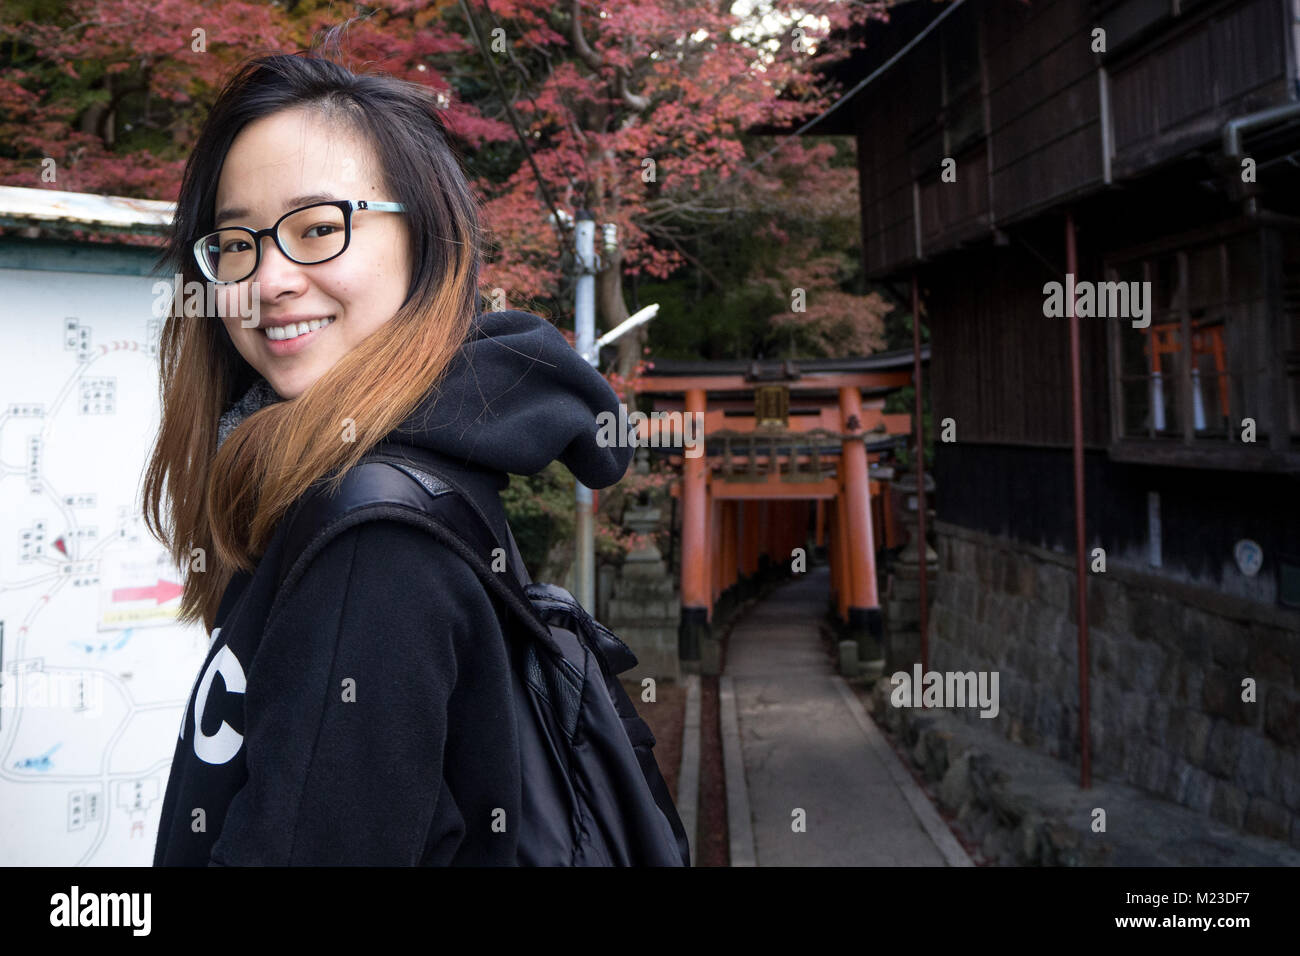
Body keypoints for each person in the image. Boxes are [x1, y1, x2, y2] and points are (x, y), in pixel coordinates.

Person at [142, 41, 633, 865]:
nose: (268, 280)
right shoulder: (400, 478)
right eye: (236, 243)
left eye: (318, 228)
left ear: (427, 243)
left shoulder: (369, 532)